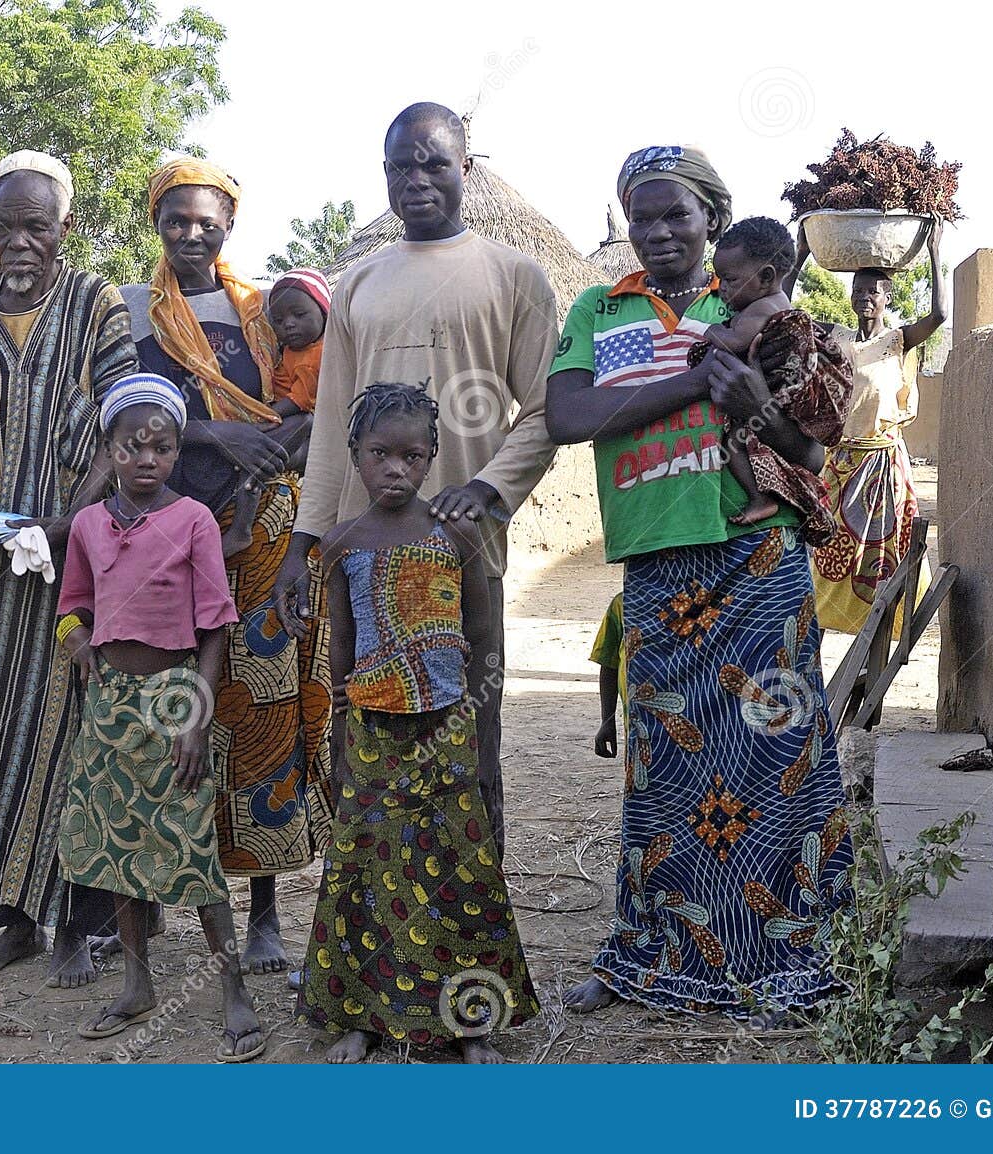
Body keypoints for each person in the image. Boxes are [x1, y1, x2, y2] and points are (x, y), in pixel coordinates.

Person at [545, 145, 855, 1019]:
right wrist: (693, 385)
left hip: (755, 553)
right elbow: (569, 414)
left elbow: (811, 451)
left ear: (712, 219)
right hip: (656, 554)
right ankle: (653, 954)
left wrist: (754, 406)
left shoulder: (756, 303)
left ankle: (791, 958)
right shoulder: (600, 307)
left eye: (675, 214)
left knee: (776, 750)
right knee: (666, 761)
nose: (657, 231)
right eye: (640, 217)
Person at [273, 102, 560, 859]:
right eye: (402, 165)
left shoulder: (515, 277)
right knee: (369, 732)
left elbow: (544, 412)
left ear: (465, 167)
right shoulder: (358, 284)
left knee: (471, 733)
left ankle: (474, 909)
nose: (418, 178)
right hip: (365, 555)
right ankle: (380, 913)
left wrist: (488, 492)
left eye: (434, 163)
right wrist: (303, 543)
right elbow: (331, 427)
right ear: (385, 174)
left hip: (466, 552)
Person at [0, 151, 136, 987]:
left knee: (70, 734)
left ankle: (76, 923)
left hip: (68, 564)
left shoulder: (96, 305)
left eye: (35, 226)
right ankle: (9, 919)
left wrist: (70, 516)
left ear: (63, 228)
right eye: (4, 225)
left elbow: (118, 430)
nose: (18, 241)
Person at [117, 159, 332, 976]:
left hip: (260, 526)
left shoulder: (265, 312)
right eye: (176, 219)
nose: (191, 234)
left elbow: (311, 401)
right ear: (156, 221)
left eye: (207, 222)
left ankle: (265, 912)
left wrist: (274, 441)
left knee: (261, 709)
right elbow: (120, 416)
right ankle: (154, 898)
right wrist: (213, 435)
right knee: (164, 712)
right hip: (161, 526)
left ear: (230, 226)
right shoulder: (132, 312)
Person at [297, 383, 539, 1064]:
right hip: (372, 732)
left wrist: (478, 734)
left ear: (432, 457)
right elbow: (343, 649)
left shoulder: (455, 533)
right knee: (365, 867)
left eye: (411, 456)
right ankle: (361, 1015)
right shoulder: (341, 544)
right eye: (380, 454)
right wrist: (341, 741)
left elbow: (481, 634)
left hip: (445, 728)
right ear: (355, 455)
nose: (395, 469)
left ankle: (471, 1024)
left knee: (459, 869)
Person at [53, 373, 265, 1062]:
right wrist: (78, 643)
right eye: (132, 447)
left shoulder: (194, 520)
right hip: (109, 704)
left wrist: (196, 717)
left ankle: (233, 989)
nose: (148, 459)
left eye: (163, 448)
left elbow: (215, 625)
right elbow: (71, 604)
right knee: (119, 848)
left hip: (175, 697)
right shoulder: (88, 526)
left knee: (190, 846)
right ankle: (137, 984)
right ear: (110, 450)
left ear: (176, 451)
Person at [786, 222, 945, 635]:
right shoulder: (836, 338)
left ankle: (880, 636)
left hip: (883, 463)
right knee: (824, 548)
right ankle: (817, 633)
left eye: (873, 292)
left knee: (887, 551)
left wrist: (934, 250)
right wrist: (800, 255)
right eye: (858, 291)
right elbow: (784, 312)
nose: (864, 298)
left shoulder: (899, 341)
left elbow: (940, 315)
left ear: (887, 297)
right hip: (839, 463)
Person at [697, 216, 836, 543]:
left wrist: (711, 331)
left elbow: (735, 342)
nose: (722, 287)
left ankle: (760, 498)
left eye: (729, 279)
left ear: (767, 277)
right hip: (774, 405)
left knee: (733, 442)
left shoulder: (762, 308)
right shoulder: (775, 302)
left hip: (769, 398)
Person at [220, 267, 329, 557]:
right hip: (290, 424)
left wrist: (262, 418)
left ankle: (241, 530)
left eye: (299, 315)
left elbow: (300, 401)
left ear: (323, 311)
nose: (289, 324)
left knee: (257, 457)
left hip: (304, 429)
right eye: (279, 320)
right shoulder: (291, 350)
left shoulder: (317, 356)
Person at [590, 592, 624, 760]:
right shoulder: (623, 605)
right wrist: (607, 720)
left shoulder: (703, 604)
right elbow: (610, 666)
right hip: (642, 727)